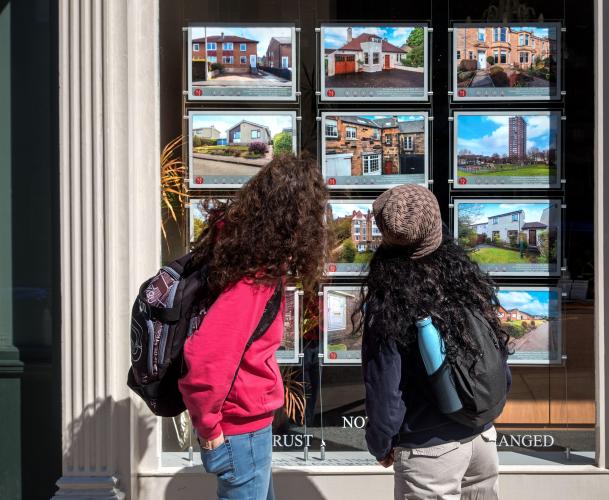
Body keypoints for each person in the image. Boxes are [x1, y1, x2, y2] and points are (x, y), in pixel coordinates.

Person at [178, 155, 328, 500]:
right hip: (238, 429)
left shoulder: (241, 256)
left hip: (244, 425)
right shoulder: (254, 279)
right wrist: (209, 427)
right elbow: (206, 357)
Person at [358, 184, 512, 500]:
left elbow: (385, 387)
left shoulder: (389, 299)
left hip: (429, 452)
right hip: (482, 439)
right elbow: (497, 354)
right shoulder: (467, 282)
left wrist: (381, 443)